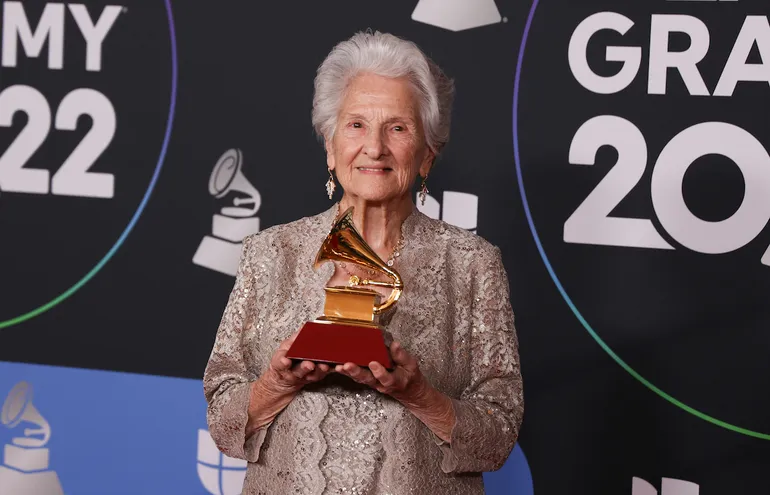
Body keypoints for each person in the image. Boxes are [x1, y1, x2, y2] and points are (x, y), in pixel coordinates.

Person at [203, 30, 524, 494]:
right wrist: (275, 383)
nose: (374, 147)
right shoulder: (269, 253)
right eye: (355, 125)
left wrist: (419, 395)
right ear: (331, 148)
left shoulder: (473, 266)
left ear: (427, 155)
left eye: (397, 127)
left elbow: (498, 438)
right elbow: (221, 418)